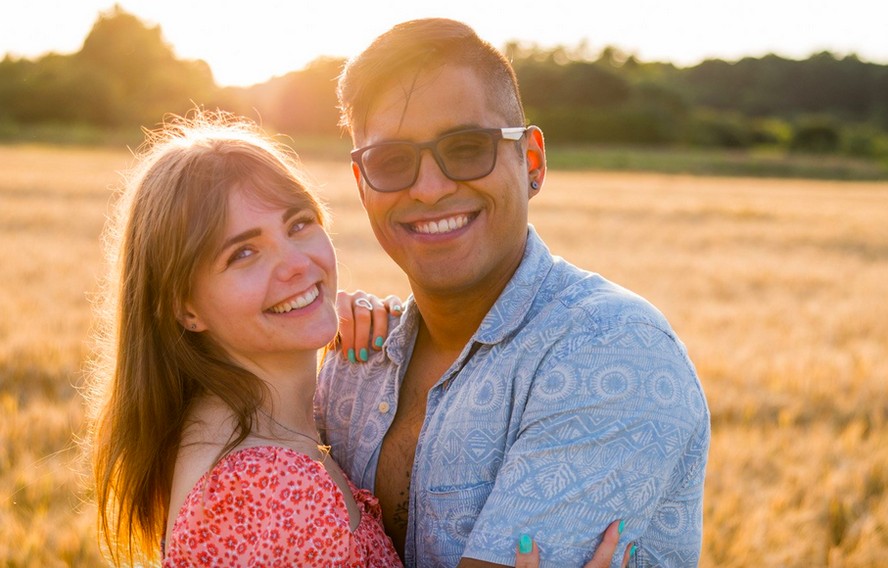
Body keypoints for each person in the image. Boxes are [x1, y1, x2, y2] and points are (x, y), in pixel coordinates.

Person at [85, 111, 628, 568]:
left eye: (298, 224)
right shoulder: (269, 488)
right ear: (184, 306)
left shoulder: (246, 428)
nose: (296, 264)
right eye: (243, 253)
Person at [315, 18, 711, 567]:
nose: (429, 188)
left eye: (467, 147)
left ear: (532, 161)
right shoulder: (350, 362)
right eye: (391, 161)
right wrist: (290, 332)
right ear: (362, 186)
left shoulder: (612, 349)